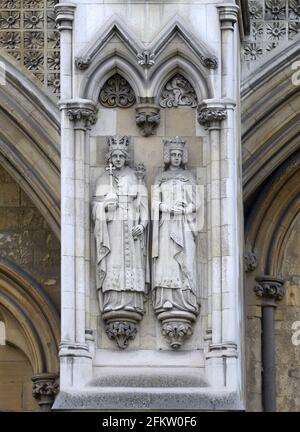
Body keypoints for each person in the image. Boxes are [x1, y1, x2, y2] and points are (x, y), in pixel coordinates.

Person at [92, 136, 149, 316]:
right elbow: (95, 209)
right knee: (114, 260)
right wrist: (105, 208)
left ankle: (133, 301)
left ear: (126, 158)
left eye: (121, 156)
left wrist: (142, 224)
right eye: (115, 156)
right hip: (113, 227)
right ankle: (113, 301)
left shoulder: (134, 177)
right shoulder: (103, 179)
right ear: (110, 157)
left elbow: (143, 205)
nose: (118, 159)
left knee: (132, 261)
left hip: (132, 224)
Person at [152, 137, 199, 316]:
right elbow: (155, 203)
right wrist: (169, 208)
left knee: (185, 259)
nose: (177, 157)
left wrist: (187, 208)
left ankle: (185, 299)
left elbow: (197, 202)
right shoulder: (160, 178)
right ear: (168, 156)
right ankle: (167, 298)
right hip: (166, 224)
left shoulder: (188, 178)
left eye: (179, 154)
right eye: (173, 154)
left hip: (184, 223)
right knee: (167, 261)